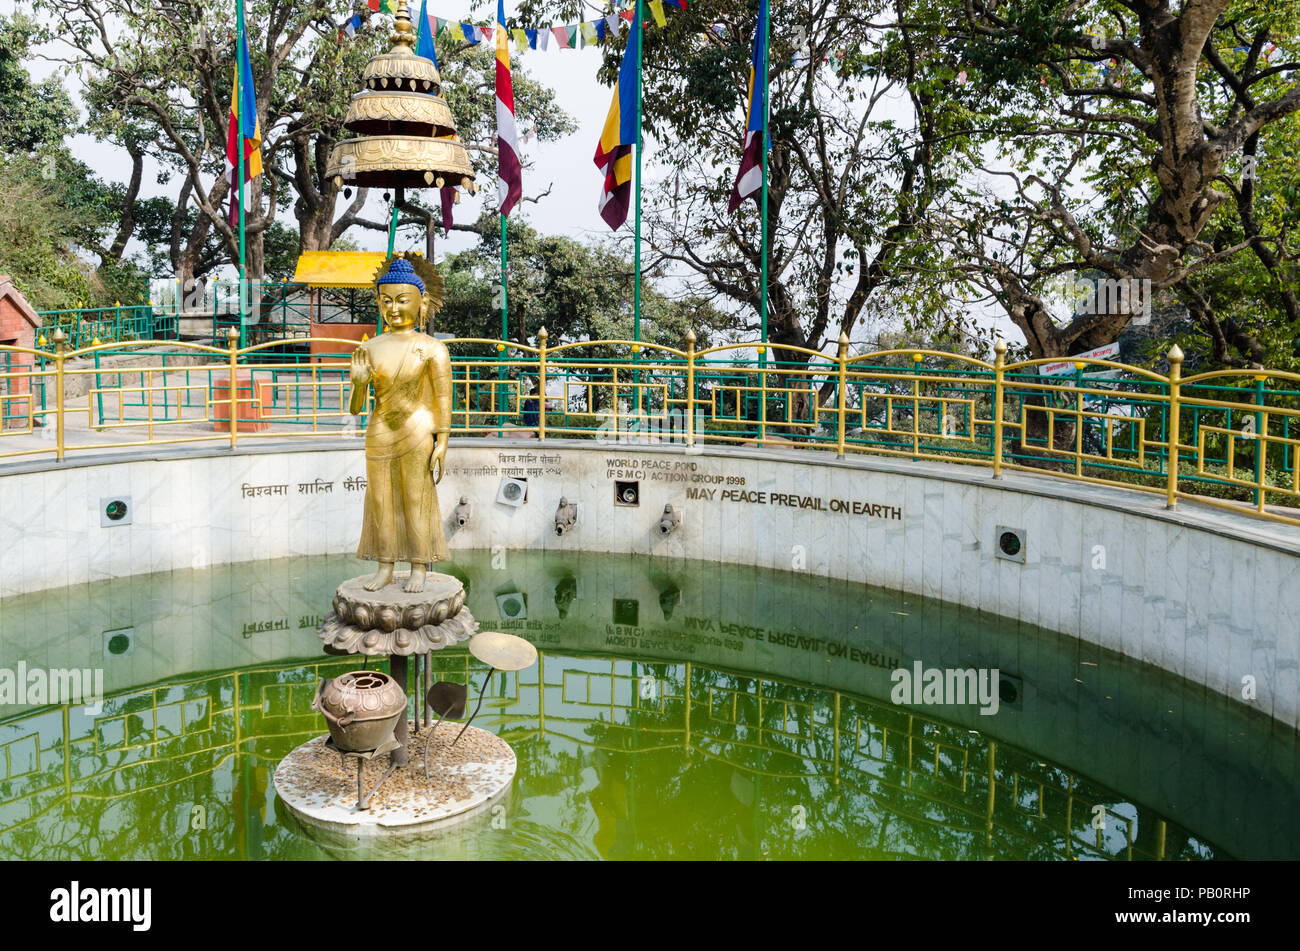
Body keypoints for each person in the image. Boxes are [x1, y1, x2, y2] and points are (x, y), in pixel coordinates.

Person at [348, 256, 452, 593]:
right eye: (386, 301)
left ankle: (419, 565)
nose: (393, 309)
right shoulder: (369, 348)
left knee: (415, 497)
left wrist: (443, 441)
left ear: (422, 302)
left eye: (402, 300)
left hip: (418, 430)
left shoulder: (432, 349)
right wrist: (360, 383)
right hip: (379, 431)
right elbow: (354, 409)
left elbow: (443, 398)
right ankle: (385, 565)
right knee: (381, 500)